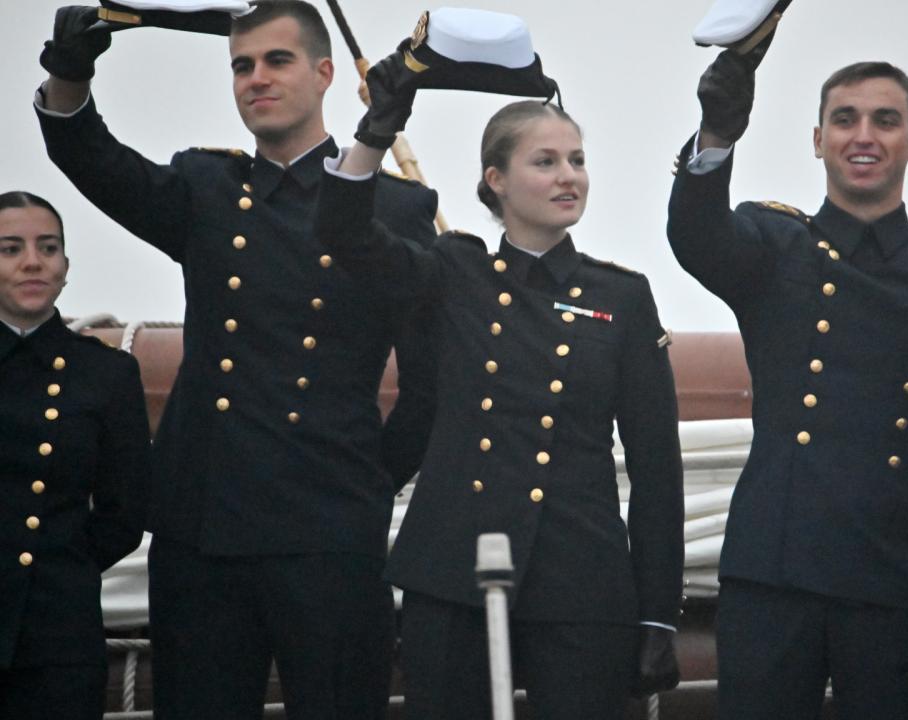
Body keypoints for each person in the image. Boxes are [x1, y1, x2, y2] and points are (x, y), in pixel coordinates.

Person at [34, 2, 439, 718]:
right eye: (241, 66)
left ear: (323, 75)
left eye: (276, 61)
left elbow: (431, 383)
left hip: (330, 535)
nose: (256, 79)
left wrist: (370, 481)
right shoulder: (206, 190)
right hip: (204, 533)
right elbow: (89, 155)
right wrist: (70, 73)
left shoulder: (398, 209)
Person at [664, 24, 908, 720]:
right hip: (774, 571)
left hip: (892, 580)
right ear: (817, 139)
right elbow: (697, 239)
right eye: (845, 119)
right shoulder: (778, 248)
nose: (865, 135)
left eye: (887, 121)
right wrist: (716, 134)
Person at [319, 80, 685, 716]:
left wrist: (658, 616)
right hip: (455, 572)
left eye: (577, 160)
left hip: (578, 583)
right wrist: (374, 134)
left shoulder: (621, 297)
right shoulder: (453, 272)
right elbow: (346, 234)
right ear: (496, 180)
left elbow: (657, 467)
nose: (569, 175)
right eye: (544, 162)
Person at [0, 191, 150, 720]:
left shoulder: (104, 374)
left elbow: (124, 511)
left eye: (48, 247)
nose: (32, 262)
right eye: (9, 248)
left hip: (57, 640)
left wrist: (58, 565)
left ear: (66, 266)